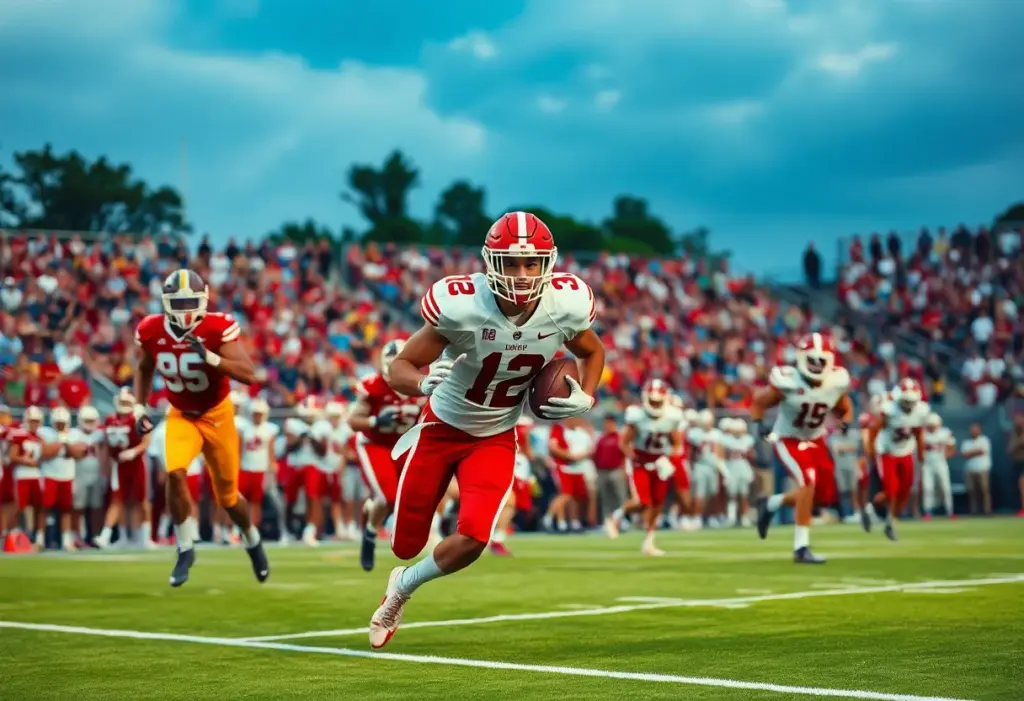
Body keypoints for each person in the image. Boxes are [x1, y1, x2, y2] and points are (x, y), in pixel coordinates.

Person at [367, 211, 605, 648]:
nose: (522, 273)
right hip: (441, 427)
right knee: (404, 542)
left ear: (547, 264)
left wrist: (587, 396)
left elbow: (593, 351)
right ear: (490, 262)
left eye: (531, 263)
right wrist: (421, 383)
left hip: (495, 435)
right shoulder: (462, 305)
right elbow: (400, 365)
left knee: (475, 537)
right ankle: (398, 560)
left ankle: (402, 588)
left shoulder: (565, 305)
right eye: (511, 262)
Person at [132, 268, 268, 587]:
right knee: (175, 472)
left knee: (228, 499)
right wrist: (139, 407)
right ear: (165, 304)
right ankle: (185, 546)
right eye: (178, 304)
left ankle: (252, 540)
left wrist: (210, 357)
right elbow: (143, 367)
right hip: (181, 413)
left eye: (191, 302)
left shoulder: (217, 327)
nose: (186, 310)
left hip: (217, 415)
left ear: (204, 300)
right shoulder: (151, 330)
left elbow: (249, 374)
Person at [751, 333, 853, 564]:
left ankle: (772, 503)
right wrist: (759, 424)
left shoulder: (835, 382)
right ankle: (801, 547)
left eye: (821, 360)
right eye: (812, 359)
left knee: (822, 497)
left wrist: (845, 421)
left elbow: (844, 407)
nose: (816, 365)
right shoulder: (788, 381)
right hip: (788, 439)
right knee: (808, 482)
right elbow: (759, 402)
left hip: (816, 440)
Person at [349, 339, 425, 571]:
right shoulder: (373, 386)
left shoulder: (422, 386)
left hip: (405, 445)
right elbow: (353, 421)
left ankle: (373, 509)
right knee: (388, 497)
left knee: (404, 497)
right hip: (375, 444)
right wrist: (373, 421)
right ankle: (370, 534)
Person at [603, 378, 681, 555]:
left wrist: (668, 459)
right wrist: (635, 458)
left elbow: (677, 443)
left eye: (657, 401)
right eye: (652, 400)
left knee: (657, 503)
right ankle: (616, 516)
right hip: (640, 461)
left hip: (660, 461)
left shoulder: (672, 416)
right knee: (641, 501)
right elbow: (624, 443)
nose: (654, 404)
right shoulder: (636, 415)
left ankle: (649, 541)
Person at [864, 379, 929, 540]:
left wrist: (921, 453)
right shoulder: (890, 409)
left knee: (904, 491)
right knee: (891, 489)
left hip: (906, 451)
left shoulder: (921, 410)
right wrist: (871, 451)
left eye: (911, 401)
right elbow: (874, 429)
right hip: (887, 451)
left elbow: (919, 432)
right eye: (905, 401)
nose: (908, 405)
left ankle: (881, 516)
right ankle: (884, 519)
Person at [921, 412, 956, 519]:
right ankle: (927, 511)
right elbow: (919, 447)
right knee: (927, 488)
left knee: (945, 487)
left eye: (933, 425)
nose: (931, 427)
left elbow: (952, 446)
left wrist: (947, 456)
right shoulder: (923, 434)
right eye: (930, 425)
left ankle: (950, 511)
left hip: (940, 463)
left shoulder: (945, 433)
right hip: (927, 464)